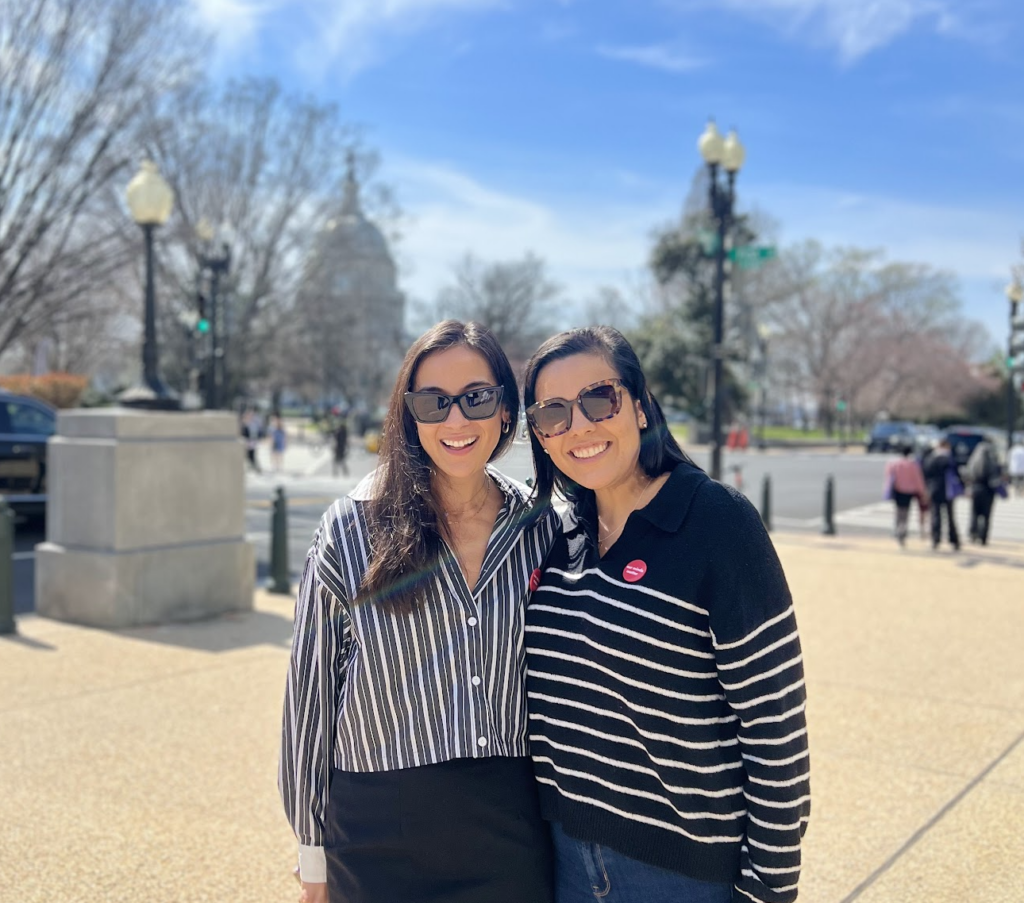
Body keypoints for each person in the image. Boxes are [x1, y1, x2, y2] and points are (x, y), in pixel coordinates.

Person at [521, 326, 810, 903]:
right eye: (553, 413)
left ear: (641, 405)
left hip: (682, 875)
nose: (578, 426)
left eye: (599, 399)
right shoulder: (556, 534)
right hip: (563, 859)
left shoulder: (716, 521)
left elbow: (774, 725)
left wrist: (768, 890)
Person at [280, 320, 560, 903]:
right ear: (410, 415)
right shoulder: (351, 529)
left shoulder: (540, 529)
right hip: (376, 836)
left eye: (476, 399)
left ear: (505, 410)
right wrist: (312, 855)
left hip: (508, 834)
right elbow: (309, 702)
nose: (455, 421)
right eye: (433, 402)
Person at [884, 443, 928, 547]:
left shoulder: (894, 464)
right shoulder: (912, 465)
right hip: (908, 491)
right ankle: (902, 531)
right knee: (906, 512)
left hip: (898, 490)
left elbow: (888, 478)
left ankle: (897, 529)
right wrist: (922, 492)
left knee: (899, 511)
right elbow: (918, 479)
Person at [921, 438, 960, 551]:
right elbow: (956, 474)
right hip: (948, 490)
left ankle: (935, 539)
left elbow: (925, 473)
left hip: (934, 489)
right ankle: (953, 540)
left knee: (935, 515)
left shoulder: (931, 458)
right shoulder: (950, 459)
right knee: (950, 516)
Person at [965, 436, 1001, 545]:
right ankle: (983, 537)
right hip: (988, 490)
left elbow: (968, 474)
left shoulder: (974, 460)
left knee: (974, 513)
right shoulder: (992, 459)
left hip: (976, 488)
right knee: (986, 515)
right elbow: (996, 475)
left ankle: (973, 533)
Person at [240, 410, 262, 474]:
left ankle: (256, 468)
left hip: (252, 442)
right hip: (246, 442)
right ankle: (253, 467)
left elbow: (256, 434)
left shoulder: (254, 424)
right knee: (248, 456)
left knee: (252, 455)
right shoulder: (244, 424)